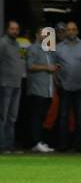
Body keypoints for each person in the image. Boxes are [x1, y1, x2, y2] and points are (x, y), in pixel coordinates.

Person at [54, 21, 81, 151]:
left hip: (80, 88)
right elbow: (55, 66)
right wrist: (56, 80)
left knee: (80, 118)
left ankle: (79, 145)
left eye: (73, 29)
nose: (71, 32)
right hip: (64, 87)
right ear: (66, 32)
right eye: (68, 30)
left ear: (77, 31)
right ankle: (63, 145)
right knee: (63, 118)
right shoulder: (58, 47)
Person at [25, 27, 57, 153]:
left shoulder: (48, 49)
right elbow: (30, 65)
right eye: (43, 34)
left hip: (48, 89)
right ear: (37, 35)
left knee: (43, 117)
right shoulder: (32, 48)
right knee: (36, 117)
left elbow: (51, 67)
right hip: (37, 89)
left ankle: (40, 142)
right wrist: (47, 67)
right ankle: (35, 142)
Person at [0, 20, 23, 153]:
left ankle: (9, 145)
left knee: (12, 117)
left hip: (16, 85)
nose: (15, 31)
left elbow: (19, 62)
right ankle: (2, 146)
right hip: (5, 85)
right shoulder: (2, 43)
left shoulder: (17, 44)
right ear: (7, 30)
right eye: (12, 29)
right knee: (3, 116)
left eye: (16, 29)